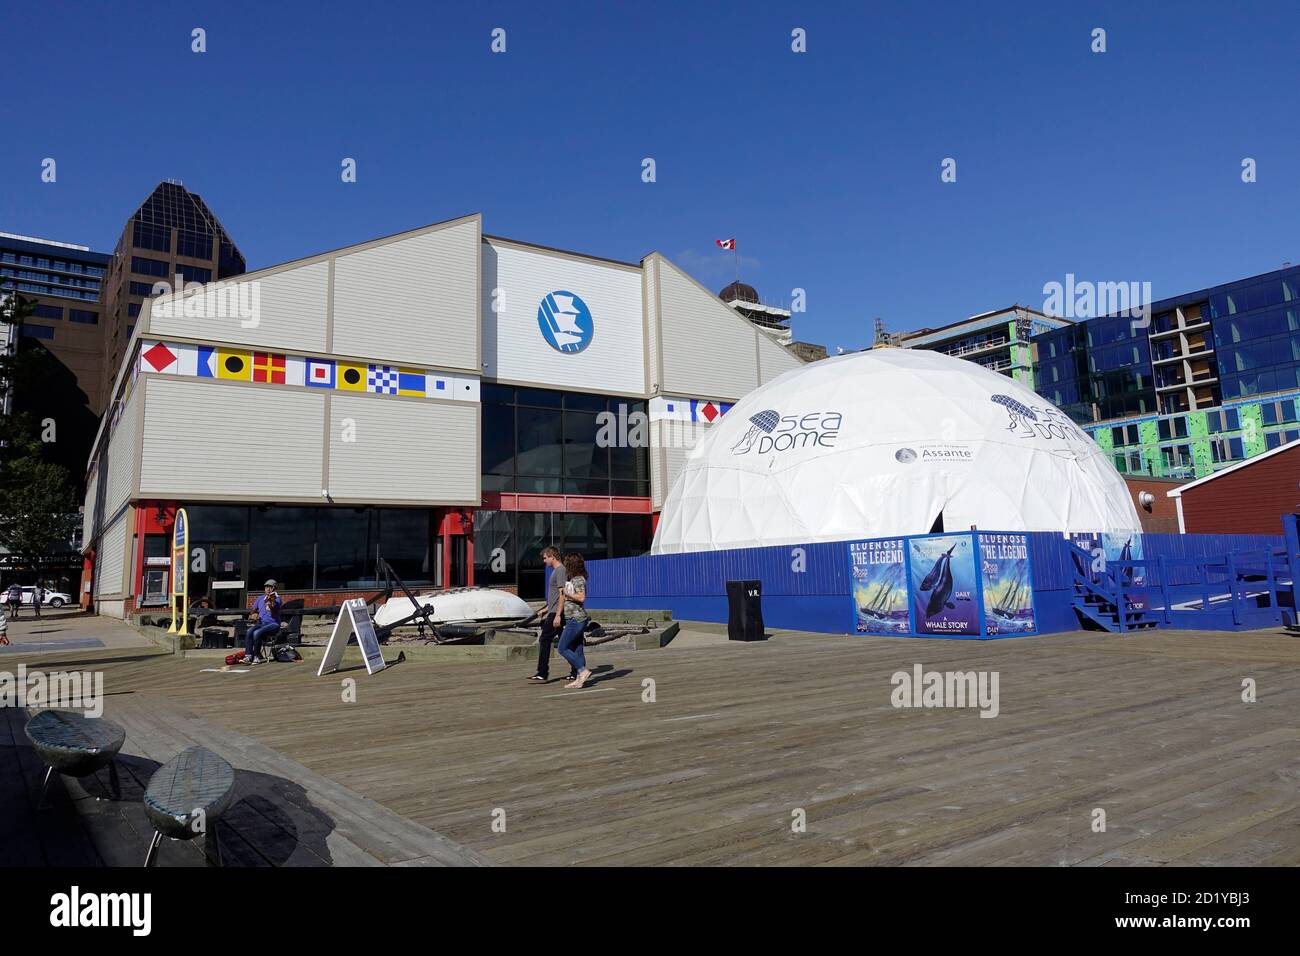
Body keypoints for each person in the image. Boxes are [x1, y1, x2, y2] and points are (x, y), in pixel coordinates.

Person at [528, 546, 577, 683]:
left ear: (552, 557)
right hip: (554, 610)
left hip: (557, 613)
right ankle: (577, 670)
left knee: (544, 639)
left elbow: (562, 594)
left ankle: (542, 672)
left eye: (545, 558)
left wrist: (557, 615)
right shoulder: (557, 571)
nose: (544, 561)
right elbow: (556, 596)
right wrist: (546, 609)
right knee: (564, 644)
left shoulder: (560, 570)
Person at [555, 552, 593, 689]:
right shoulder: (576, 579)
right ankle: (579, 679)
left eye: (567, 563)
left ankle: (583, 671)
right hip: (575, 618)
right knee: (578, 649)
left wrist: (567, 594)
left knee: (562, 647)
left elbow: (582, 598)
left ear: (571, 565)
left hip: (576, 619)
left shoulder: (578, 579)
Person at [243, 579, 282, 665]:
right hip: (262, 623)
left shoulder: (277, 599)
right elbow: (252, 610)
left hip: (273, 624)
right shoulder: (260, 598)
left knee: (257, 633)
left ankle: (257, 656)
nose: (268, 589)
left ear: (274, 589)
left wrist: (271, 605)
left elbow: (275, 614)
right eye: (266, 587)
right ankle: (248, 656)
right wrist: (254, 613)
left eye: (270, 587)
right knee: (249, 631)